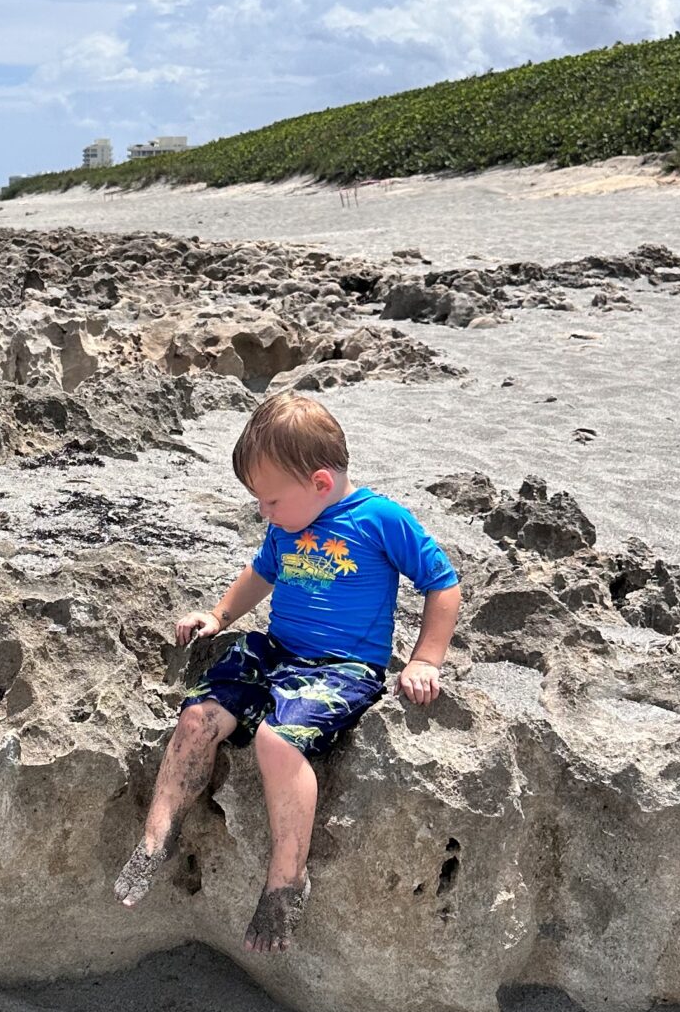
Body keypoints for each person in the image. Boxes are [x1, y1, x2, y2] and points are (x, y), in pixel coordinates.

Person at [115, 389, 461, 953]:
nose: (263, 513)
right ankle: (157, 838)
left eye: (270, 501)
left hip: (344, 667)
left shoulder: (381, 520)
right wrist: (219, 613)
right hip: (276, 650)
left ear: (320, 484)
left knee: (278, 743)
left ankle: (286, 878)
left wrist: (425, 659)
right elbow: (261, 574)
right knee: (198, 717)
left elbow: (442, 585)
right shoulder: (286, 524)